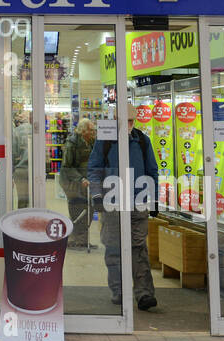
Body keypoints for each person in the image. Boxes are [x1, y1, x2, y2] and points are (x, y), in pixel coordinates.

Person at [87, 108, 158, 310]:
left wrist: (153, 200)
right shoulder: (105, 141)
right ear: (114, 121)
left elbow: (152, 171)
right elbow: (94, 168)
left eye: (130, 121)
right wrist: (98, 195)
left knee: (138, 247)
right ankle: (119, 290)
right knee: (114, 247)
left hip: (138, 202)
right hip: (113, 201)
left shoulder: (142, 141)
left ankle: (144, 294)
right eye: (123, 120)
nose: (127, 124)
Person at [59, 117, 96, 249]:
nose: (94, 132)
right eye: (91, 130)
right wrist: (81, 179)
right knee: (77, 209)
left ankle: (81, 240)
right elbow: (67, 167)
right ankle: (75, 240)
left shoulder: (91, 141)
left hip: (85, 181)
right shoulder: (72, 143)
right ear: (83, 131)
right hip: (71, 181)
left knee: (89, 209)